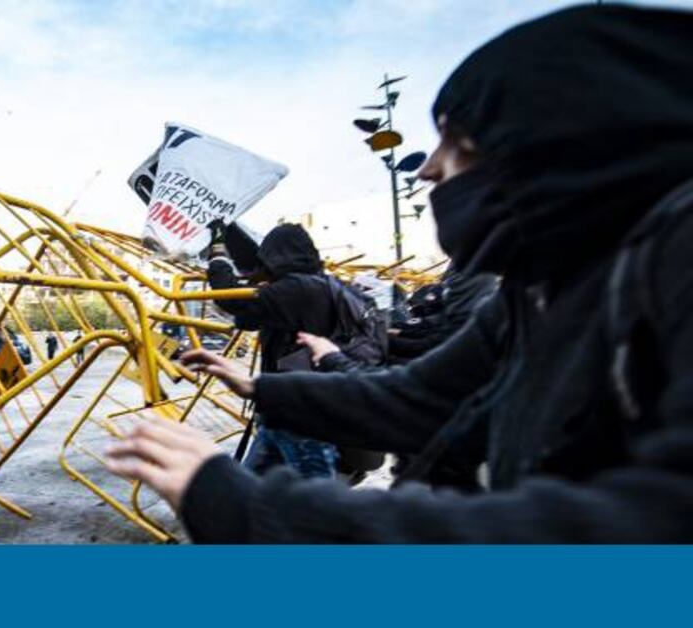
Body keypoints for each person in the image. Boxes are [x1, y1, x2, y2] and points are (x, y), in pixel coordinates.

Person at [106, 5, 693, 542]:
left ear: (562, 138)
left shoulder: (673, 256)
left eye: (458, 142)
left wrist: (252, 509)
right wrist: (262, 388)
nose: (430, 169)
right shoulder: (534, 292)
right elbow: (422, 397)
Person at [206, 222, 353, 478]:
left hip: (301, 415)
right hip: (284, 408)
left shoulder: (296, 289)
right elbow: (251, 319)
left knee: (315, 497)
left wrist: (217, 254)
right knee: (251, 488)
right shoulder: (321, 285)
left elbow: (229, 299)